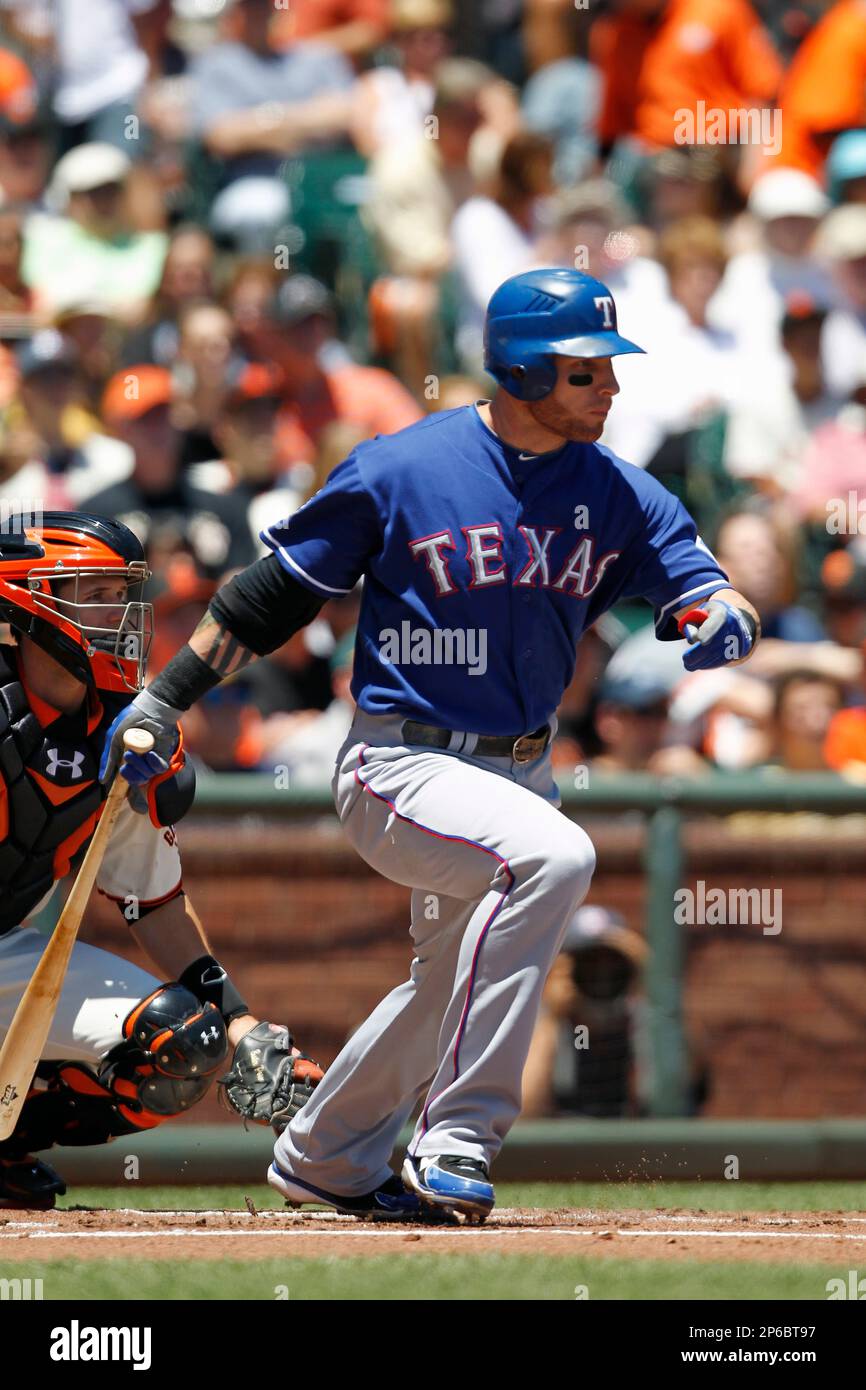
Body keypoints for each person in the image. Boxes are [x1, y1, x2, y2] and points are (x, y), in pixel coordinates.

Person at [99, 267, 761, 1224]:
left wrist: (721, 614)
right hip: (400, 761)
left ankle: (326, 1154)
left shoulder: (618, 490)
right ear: (524, 371)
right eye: (587, 372)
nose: (610, 388)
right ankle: (460, 1133)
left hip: (521, 766)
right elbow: (271, 596)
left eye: (610, 370)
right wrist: (165, 695)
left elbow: (700, 579)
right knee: (556, 858)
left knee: (448, 979)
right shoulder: (402, 467)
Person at [0, 511, 321, 1209]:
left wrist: (240, 1024)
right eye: (92, 591)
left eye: (122, 593)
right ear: (24, 595)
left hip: (4, 958)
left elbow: (154, 901)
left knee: (182, 1045)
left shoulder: (127, 727)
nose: (116, 613)